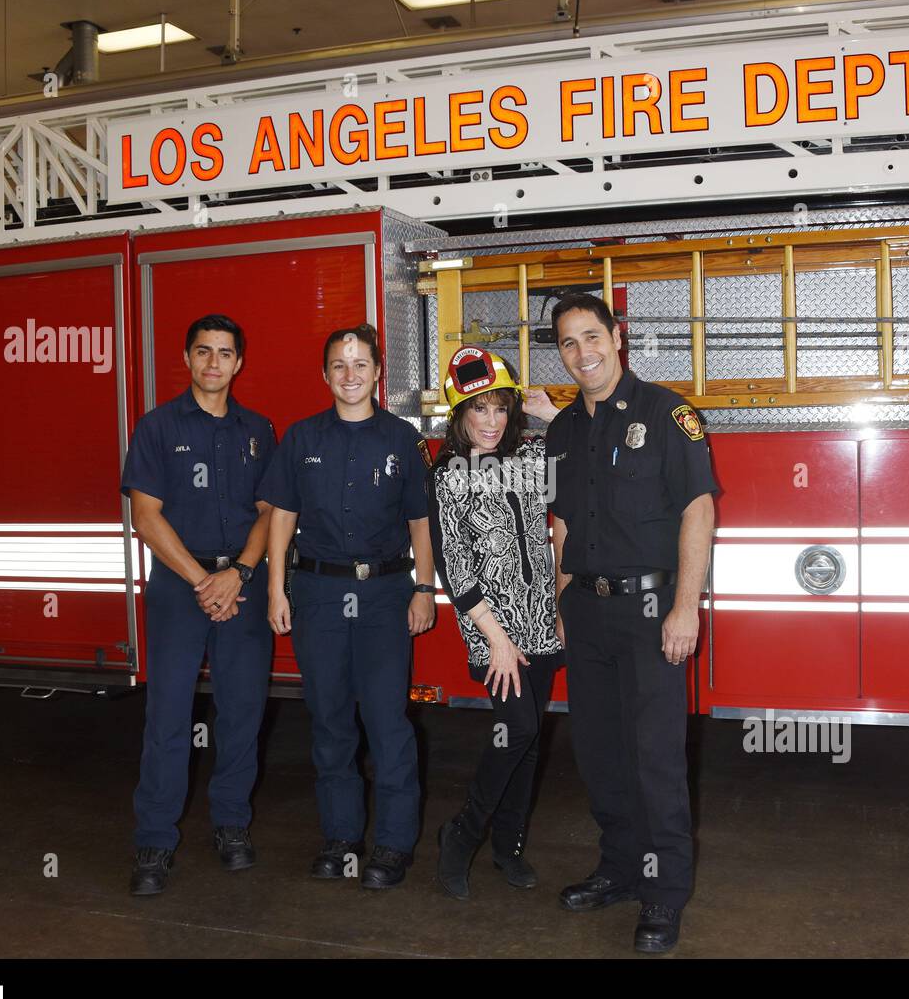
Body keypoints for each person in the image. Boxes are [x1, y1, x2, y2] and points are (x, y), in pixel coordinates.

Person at [543, 292, 717, 954]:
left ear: (617, 336)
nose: (582, 352)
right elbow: (563, 527)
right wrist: (553, 605)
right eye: (568, 342)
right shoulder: (562, 430)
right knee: (599, 751)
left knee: (655, 759)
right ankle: (618, 868)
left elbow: (698, 512)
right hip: (585, 610)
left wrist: (684, 606)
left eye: (592, 335)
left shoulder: (668, 414)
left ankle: (663, 893)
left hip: (651, 612)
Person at [260, 323, 436, 889]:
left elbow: (419, 521)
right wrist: (275, 588)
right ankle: (340, 838)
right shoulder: (301, 438)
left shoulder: (403, 439)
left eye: (361, 364)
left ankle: (391, 845)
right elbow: (281, 515)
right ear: (325, 374)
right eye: (339, 364)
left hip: (385, 595)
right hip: (318, 594)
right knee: (331, 721)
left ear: (378, 372)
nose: (350, 374)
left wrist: (424, 589)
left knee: (387, 722)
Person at [120, 313, 277, 896]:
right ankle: (155, 840)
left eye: (225, 353)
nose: (214, 362)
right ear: (186, 359)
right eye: (203, 352)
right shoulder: (157, 427)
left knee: (242, 712)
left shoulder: (259, 430)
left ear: (239, 363)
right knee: (168, 717)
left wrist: (236, 575)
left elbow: (269, 513)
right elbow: (145, 515)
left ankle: (232, 825)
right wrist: (202, 582)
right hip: (179, 589)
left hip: (241, 586)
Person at [427, 348, 564, 901]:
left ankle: (508, 847)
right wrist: (498, 643)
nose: (490, 422)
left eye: (500, 408)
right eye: (478, 409)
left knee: (529, 742)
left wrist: (554, 418)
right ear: (459, 416)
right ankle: (460, 836)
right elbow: (454, 572)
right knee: (519, 730)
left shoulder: (534, 457)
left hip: (543, 624)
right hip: (492, 630)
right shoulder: (447, 478)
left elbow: (588, 464)